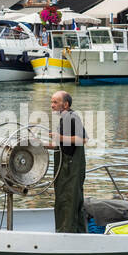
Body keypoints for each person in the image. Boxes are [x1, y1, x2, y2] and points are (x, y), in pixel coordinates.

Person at [47, 91, 87, 233]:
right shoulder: (64, 119)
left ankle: (70, 232)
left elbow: (82, 140)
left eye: (55, 102)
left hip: (71, 169)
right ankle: (64, 230)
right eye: (51, 102)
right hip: (64, 169)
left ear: (66, 104)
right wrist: (39, 145)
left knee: (71, 200)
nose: (52, 105)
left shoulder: (72, 117)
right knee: (62, 200)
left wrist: (59, 136)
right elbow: (61, 144)